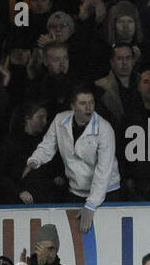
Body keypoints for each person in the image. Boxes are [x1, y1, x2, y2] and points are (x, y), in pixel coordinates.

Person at [24, 84, 118, 232]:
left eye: (91, 102)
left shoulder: (105, 129)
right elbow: (48, 145)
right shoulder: (60, 120)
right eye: (83, 103)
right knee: (74, 234)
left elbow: (103, 171)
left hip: (106, 192)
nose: (88, 107)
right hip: (76, 190)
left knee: (106, 234)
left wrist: (91, 204)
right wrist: (35, 160)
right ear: (73, 106)